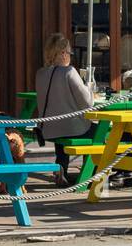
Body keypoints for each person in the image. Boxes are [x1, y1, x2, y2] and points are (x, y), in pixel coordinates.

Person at [35, 33, 95, 187]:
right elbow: (88, 103)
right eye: (69, 52)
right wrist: (89, 88)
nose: (70, 56)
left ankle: (62, 168)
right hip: (71, 128)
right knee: (100, 131)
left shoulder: (40, 73)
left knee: (62, 125)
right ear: (62, 53)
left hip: (48, 128)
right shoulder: (69, 72)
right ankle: (90, 174)